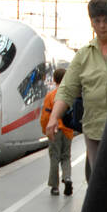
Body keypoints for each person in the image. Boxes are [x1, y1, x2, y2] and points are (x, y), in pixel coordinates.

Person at [45, 0, 107, 175]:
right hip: (94, 130)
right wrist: (54, 118)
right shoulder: (84, 55)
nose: (102, 26)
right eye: (97, 21)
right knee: (97, 182)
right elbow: (67, 88)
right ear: (92, 23)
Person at [40, 66, 74, 196]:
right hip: (68, 131)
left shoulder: (51, 96)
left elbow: (45, 116)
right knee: (66, 157)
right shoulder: (70, 94)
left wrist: (45, 129)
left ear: (54, 80)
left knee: (54, 157)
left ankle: (55, 187)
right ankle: (68, 178)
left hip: (54, 130)